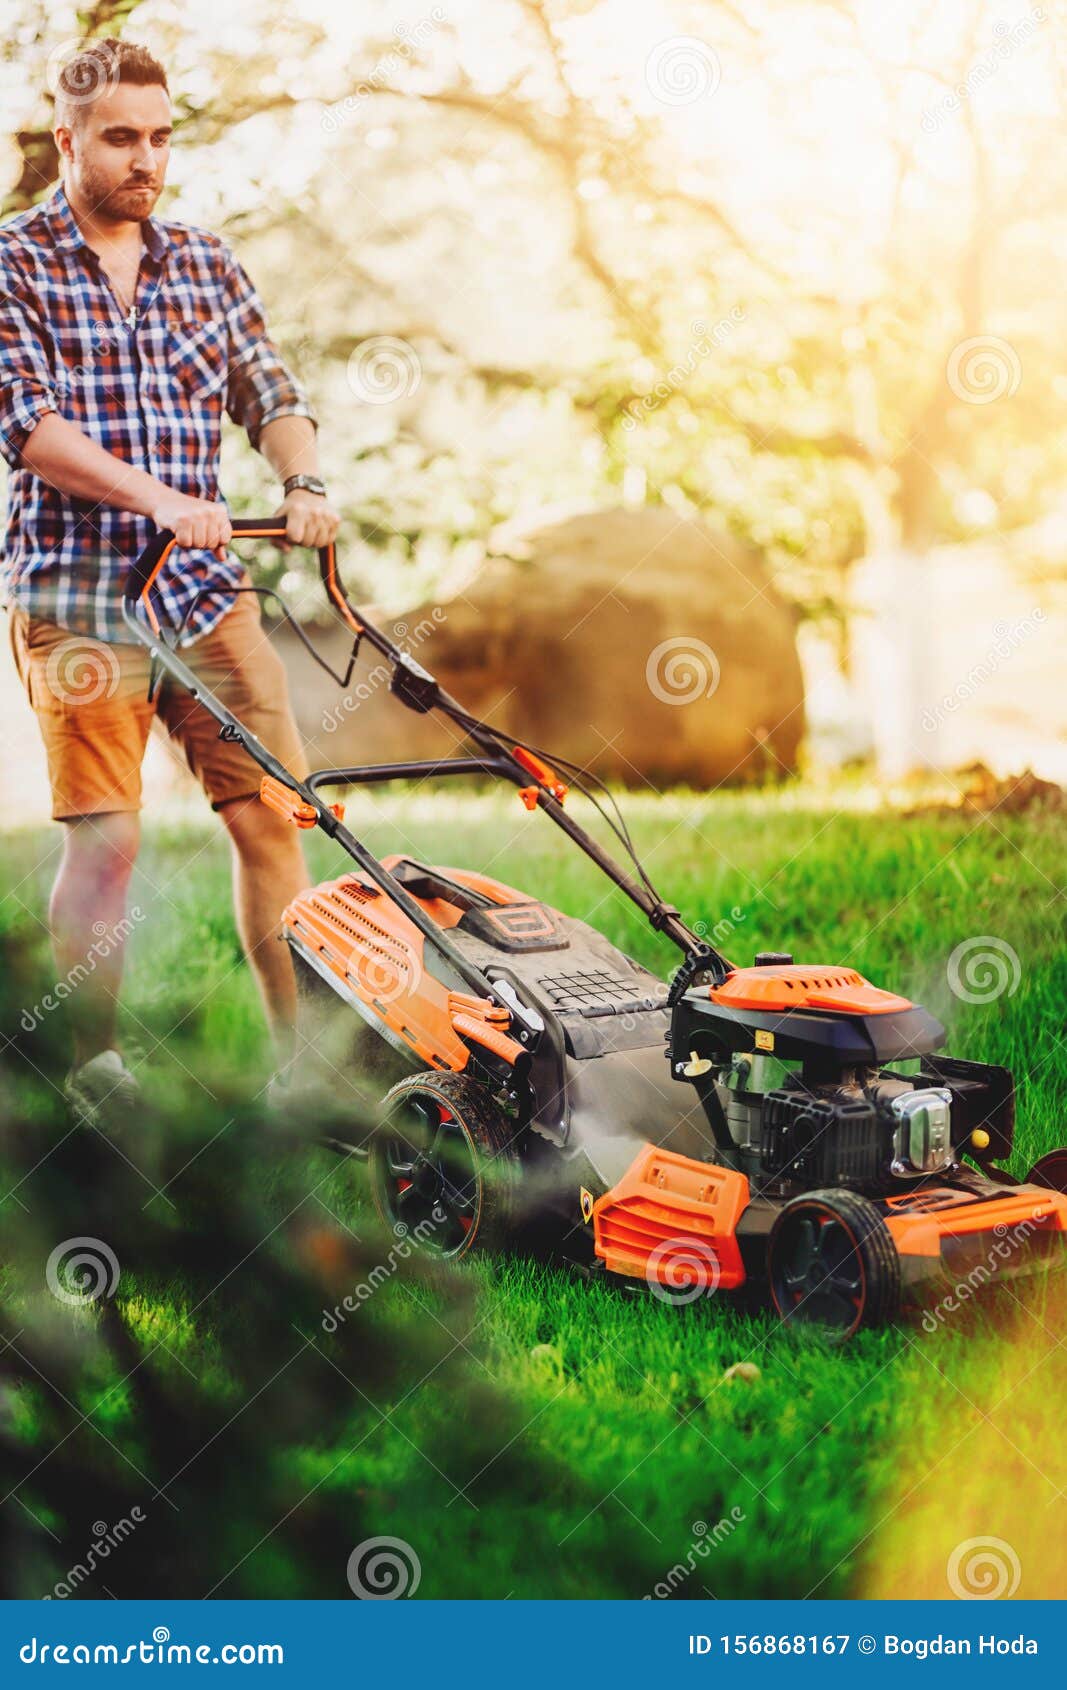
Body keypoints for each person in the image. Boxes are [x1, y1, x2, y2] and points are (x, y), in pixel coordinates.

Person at [0, 38, 340, 1127]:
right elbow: (30, 427)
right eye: (120, 138)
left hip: (200, 591)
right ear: (67, 140)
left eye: (159, 138)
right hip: (78, 594)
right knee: (108, 836)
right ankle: (90, 1065)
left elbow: (268, 389)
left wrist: (304, 478)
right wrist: (152, 496)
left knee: (271, 818)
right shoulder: (16, 263)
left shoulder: (203, 260)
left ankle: (307, 1072)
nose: (145, 159)